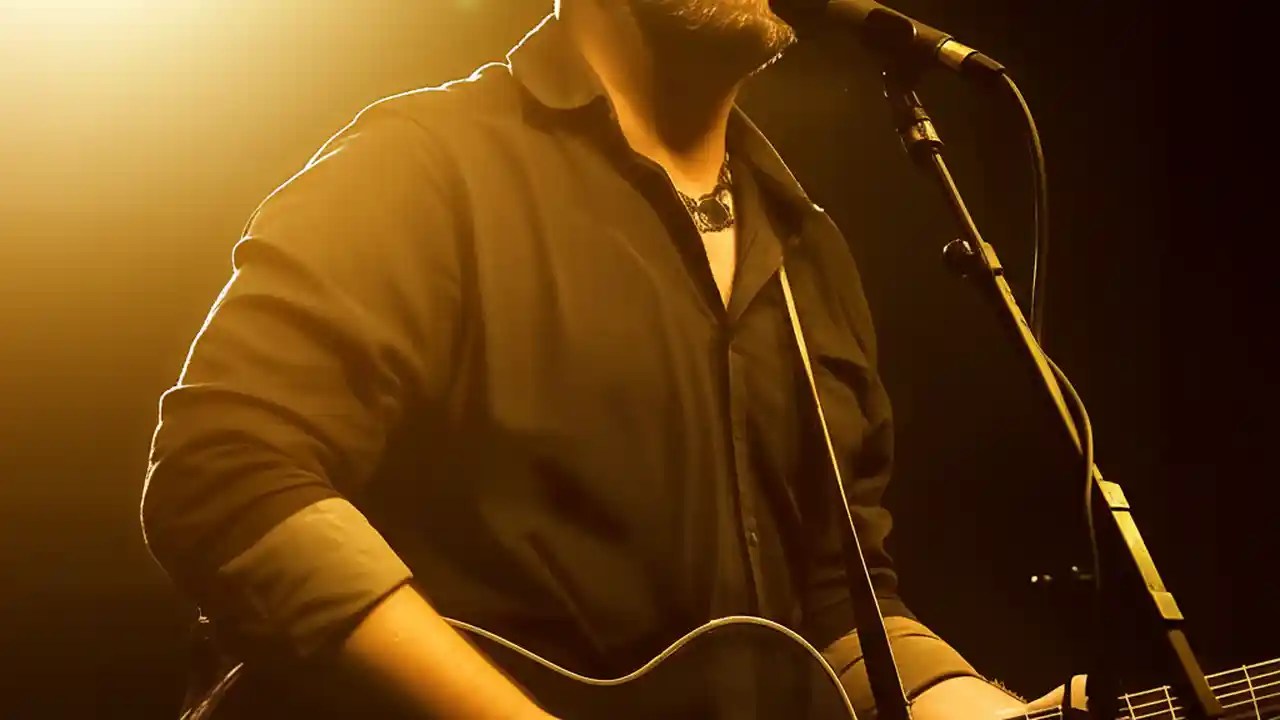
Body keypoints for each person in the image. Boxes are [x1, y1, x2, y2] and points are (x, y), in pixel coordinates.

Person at [141, 1, 1080, 717]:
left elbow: (843, 608)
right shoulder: (422, 165)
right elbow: (222, 472)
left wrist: (987, 710)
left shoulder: (811, 258)